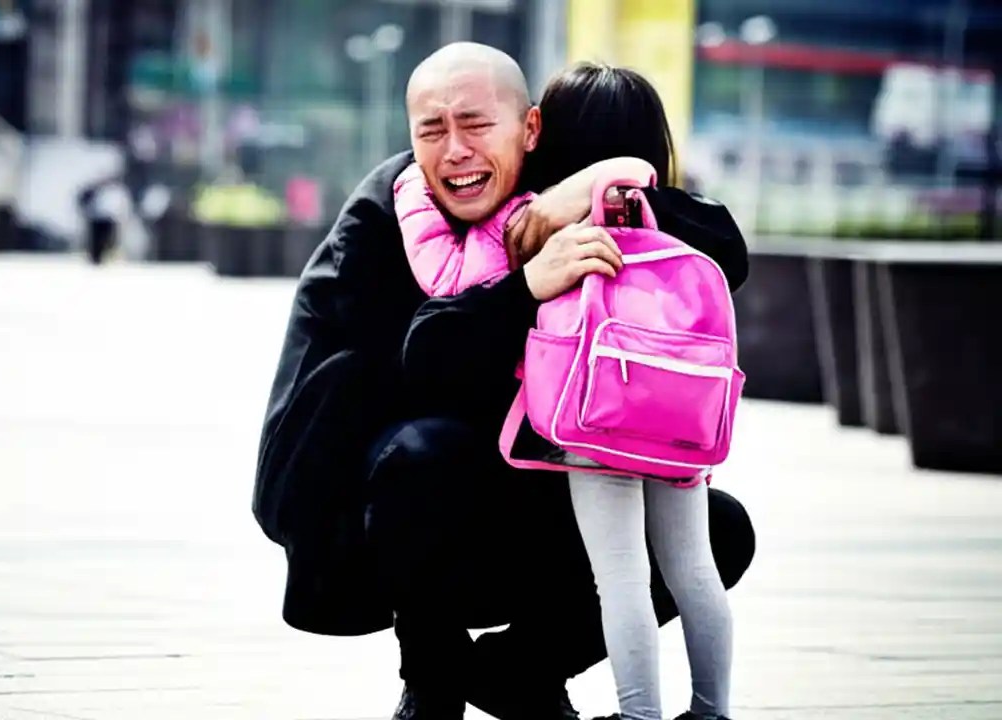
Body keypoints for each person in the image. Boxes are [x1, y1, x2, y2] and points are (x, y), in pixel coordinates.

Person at [253, 43, 754, 720]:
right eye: (432, 130)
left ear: (531, 131)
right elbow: (405, 370)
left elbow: (722, 245)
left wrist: (596, 189)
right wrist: (524, 289)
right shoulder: (392, 214)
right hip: (411, 514)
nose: (455, 150)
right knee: (420, 454)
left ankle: (523, 672)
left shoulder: (551, 197)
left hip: (549, 504)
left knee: (721, 531)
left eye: (475, 124)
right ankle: (432, 677)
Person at [394, 62, 737, 720]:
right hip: (680, 427)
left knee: (621, 578)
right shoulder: (678, 236)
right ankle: (711, 712)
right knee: (695, 570)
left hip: (595, 425)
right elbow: (729, 260)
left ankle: (640, 716)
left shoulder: (541, 228)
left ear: (543, 135)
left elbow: (455, 308)